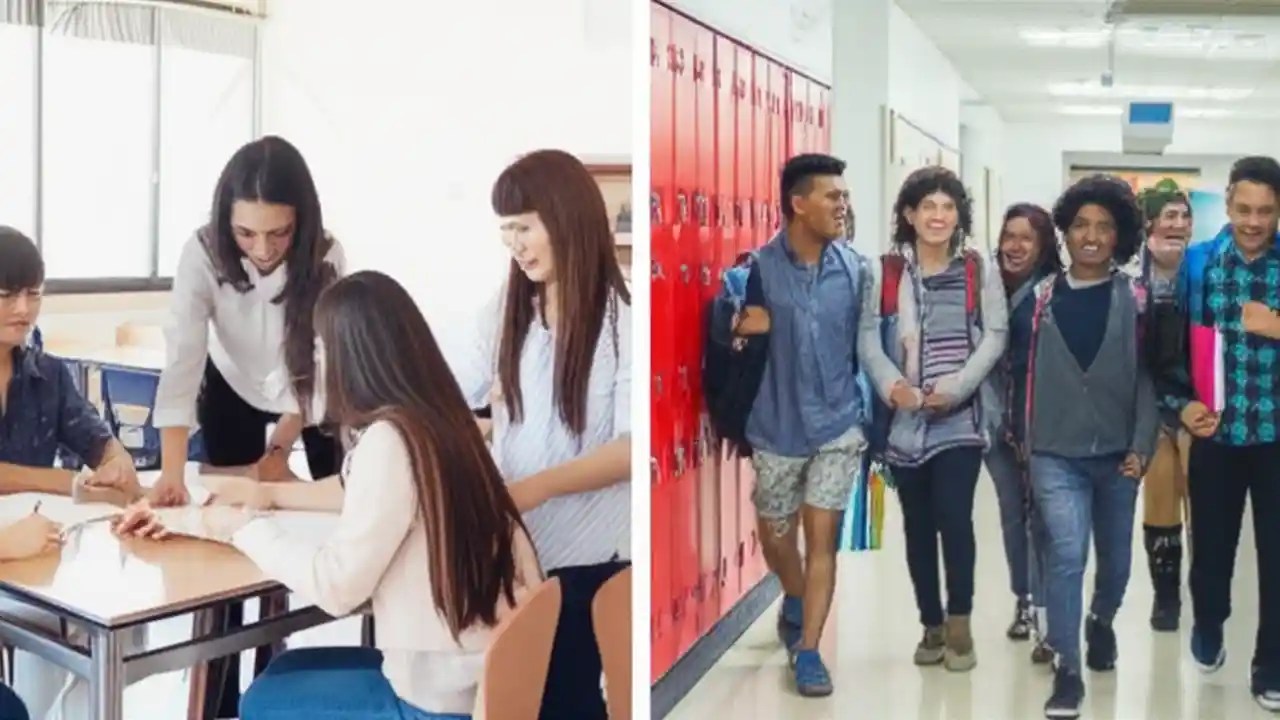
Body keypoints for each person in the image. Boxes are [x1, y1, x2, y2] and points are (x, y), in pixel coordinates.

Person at [116, 271, 543, 720]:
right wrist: (263, 497)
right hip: (480, 676)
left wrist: (242, 527)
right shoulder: (443, 425)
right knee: (289, 668)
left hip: (436, 701)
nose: (316, 362)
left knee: (265, 699)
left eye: (320, 349)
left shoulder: (390, 441)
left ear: (355, 356)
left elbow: (337, 589)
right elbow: (358, 493)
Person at [149, 135, 346, 717]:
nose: (262, 249)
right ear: (225, 223)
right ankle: (215, 697)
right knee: (222, 531)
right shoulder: (203, 253)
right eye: (247, 234)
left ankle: (273, 674)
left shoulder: (327, 256)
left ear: (301, 223)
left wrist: (280, 452)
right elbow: (182, 360)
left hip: (306, 391)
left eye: (279, 233)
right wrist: (169, 474)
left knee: (332, 515)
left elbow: (316, 366)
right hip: (230, 385)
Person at [452, 149, 630, 719]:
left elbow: (630, 448)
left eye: (524, 227)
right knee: (518, 697)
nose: (516, 246)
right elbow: (452, 390)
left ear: (565, 216)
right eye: (507, 232)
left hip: (589, 556)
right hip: (516, 549)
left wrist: (534, 488)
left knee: (567, 699)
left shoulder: (623, 319)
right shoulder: (510, 306)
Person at [722, 153, 864, 697]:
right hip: (774, 427)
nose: (843, 206)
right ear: (798, 204)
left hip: (837, 427)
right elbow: (729, 348)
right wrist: (741, 329)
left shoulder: (854, 270)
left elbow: (866, 344)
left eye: (845, 197)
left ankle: (809, 651)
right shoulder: (754, 270)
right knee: (777, 536)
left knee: (822, 537)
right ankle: (796, 593)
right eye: (833, 197)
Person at [859, 166, 1007, 673]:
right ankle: (931, 623)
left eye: (948, 208)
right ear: (909, 214)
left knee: (954, 517)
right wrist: (892, 388)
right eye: (929, 207)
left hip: (959, 419)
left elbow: (995, 334)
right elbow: (866, 340)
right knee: (918, 527)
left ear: (958, 216)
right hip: (904, 423)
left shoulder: (976, 268)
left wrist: (958, 387)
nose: (939, 216)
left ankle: (960, 620)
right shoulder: (884, 273)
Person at [0, 227, 149, 720]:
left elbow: (95, 438)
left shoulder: (47, 375)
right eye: (6, 295)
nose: (22, 309)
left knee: (107, 631)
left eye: (33, 294)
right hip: (8, 553)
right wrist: (66, 483)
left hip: (37, 562)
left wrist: (114, 460)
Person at [1025, 175, 1157, 719]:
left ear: (1119, 235)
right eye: (1081, 224)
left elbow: (1149, 379)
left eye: (1104, 226)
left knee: (1118, 566)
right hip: (1054, 454)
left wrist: (1142, 445)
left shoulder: (1136, 298)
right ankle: (1067, 669)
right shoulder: (1039, 299)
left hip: (1117, 457)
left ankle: (1100, 620)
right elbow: (1017, 374)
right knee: (1067, 556)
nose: (1092, 235)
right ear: (1065, 231)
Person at [1158, 156, 1280, 711]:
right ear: (1228, 203)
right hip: (1216, 434)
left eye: (1266, 212)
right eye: (1245, 209)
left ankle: (1271, 662)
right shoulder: (1200, 264)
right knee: (1211, 552)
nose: (1254, 222)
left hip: (1276, 437)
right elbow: (1169, 349)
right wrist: (1182, 406)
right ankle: (1208, 623)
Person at [983, 203, 1061, 665]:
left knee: (1045, 521)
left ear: (1043, 245)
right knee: (1014, 515)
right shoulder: (985, 286)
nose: (1014, 246)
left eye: (1026, 238)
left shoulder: (1054, 291)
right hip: (995, 424)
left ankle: (1050, 608)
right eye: (1008, 236)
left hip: (1042, 425)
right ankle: (1024, 599)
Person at [1134, 182, 1194, 632]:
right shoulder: (1130, 278)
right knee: (1160, 495)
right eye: (1167, 216)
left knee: (1203, 500)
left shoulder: (1204, 270)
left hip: (1198, 401)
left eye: (1183, 216)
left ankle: (1206, 590)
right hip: (1149, 402)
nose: (1176, 224)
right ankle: (1166, 597)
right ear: (1149, 222)